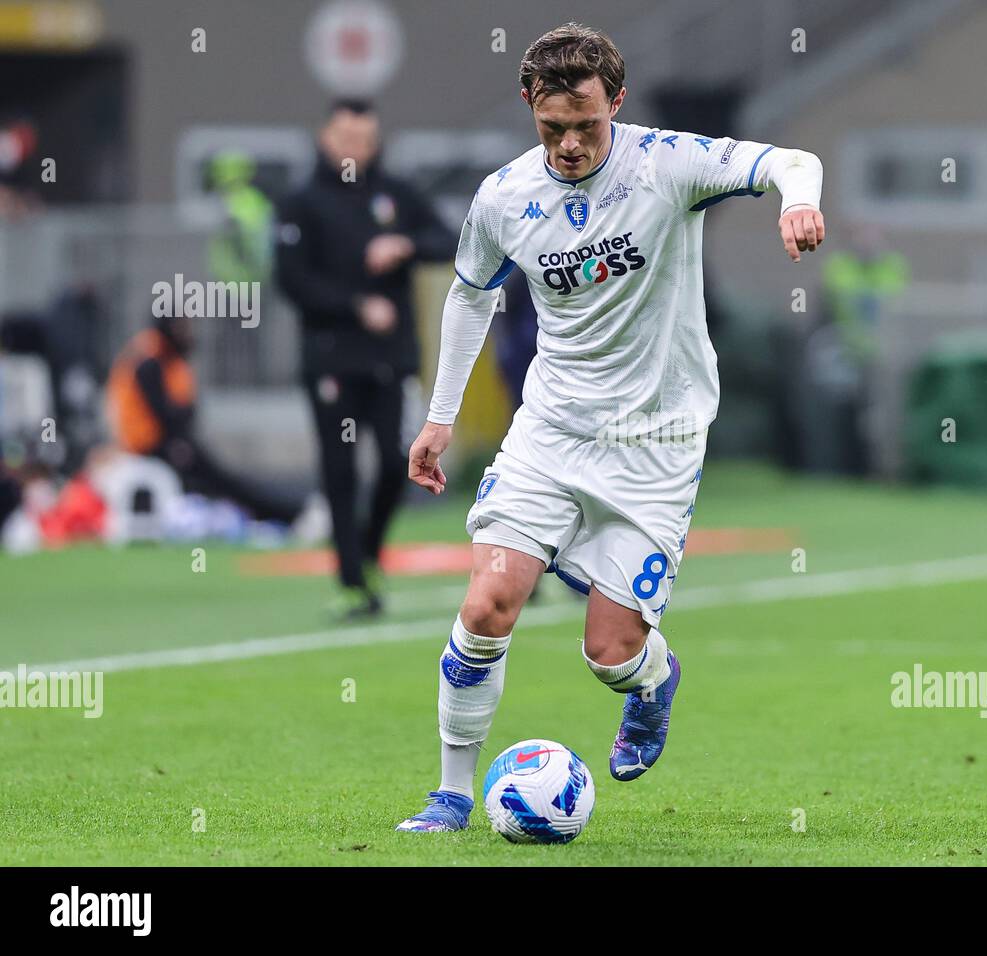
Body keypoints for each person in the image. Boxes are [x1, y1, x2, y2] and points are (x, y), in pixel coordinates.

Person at [397, 22, 825, 832]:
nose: (568, 144)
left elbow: (790, 162)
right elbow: (470, 295)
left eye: (586, 124)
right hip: (551, 433)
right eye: (551, 126)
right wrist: (439, 418)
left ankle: (652, 682)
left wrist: (798, 203)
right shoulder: (502, 197)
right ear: (530, 106)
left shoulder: (668, 163)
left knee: (611, 653)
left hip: (656, 446)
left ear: (616, 102)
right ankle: (451, 793)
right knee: (489, 604)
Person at [276, 99, 457, 620]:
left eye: (365, 140)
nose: (356, 150)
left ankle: (371, 551)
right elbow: (292, 279)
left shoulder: (395, 195)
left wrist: (404, 245)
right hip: (332, 359)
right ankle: (352, 578)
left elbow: (447, 239)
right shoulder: (302, 202)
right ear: (326, 138)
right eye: (346, 139)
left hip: (391, 359)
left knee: (398, 461)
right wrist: (355, 306)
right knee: (339, 468)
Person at [105, 314, 301, 523]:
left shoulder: (164, 360)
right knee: (217, 481)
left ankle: (282, 512)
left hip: (166, 443)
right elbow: (164, 414)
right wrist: (178, 442)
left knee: (220, 479)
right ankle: (283, 513)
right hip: (152, 447)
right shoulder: (149, 362)